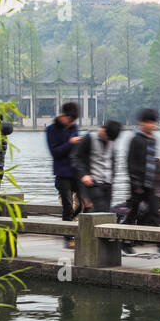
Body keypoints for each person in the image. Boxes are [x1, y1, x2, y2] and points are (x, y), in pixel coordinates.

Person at [123, 108, 160, 255]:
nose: (152, 125)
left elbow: (152, 163)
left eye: (153, 122)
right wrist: (136, 184)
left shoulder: (153, 140)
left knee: (154, 213)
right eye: (148, 122)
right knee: (131, 215)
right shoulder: (136, 140)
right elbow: (131, 164)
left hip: (150, 185)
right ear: (141, 123)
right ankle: (125, 243)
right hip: (137, 185)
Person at [45, 101, 82, 248]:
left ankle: (72, 228)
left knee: (83, 204)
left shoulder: (74, 127)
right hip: (62, 172)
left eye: (73, 120)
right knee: (67, 205)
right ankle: (68, 237)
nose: (71, 122)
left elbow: (77, 150)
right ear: (63, 116)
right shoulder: (51, 130)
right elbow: (55, 153)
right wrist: (70, 142)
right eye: (70, 119)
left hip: (76, 171)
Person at [73, 119, 122, 214]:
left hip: (108, 184)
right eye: (107, 137)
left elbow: (113, 161)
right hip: (93, 183)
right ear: (104, 130)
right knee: (99, 211)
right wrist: (84, 174)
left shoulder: (111, 140)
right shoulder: (90, 138)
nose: (108, 141)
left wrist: (112, 178)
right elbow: (75, 156)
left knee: (106, 212)